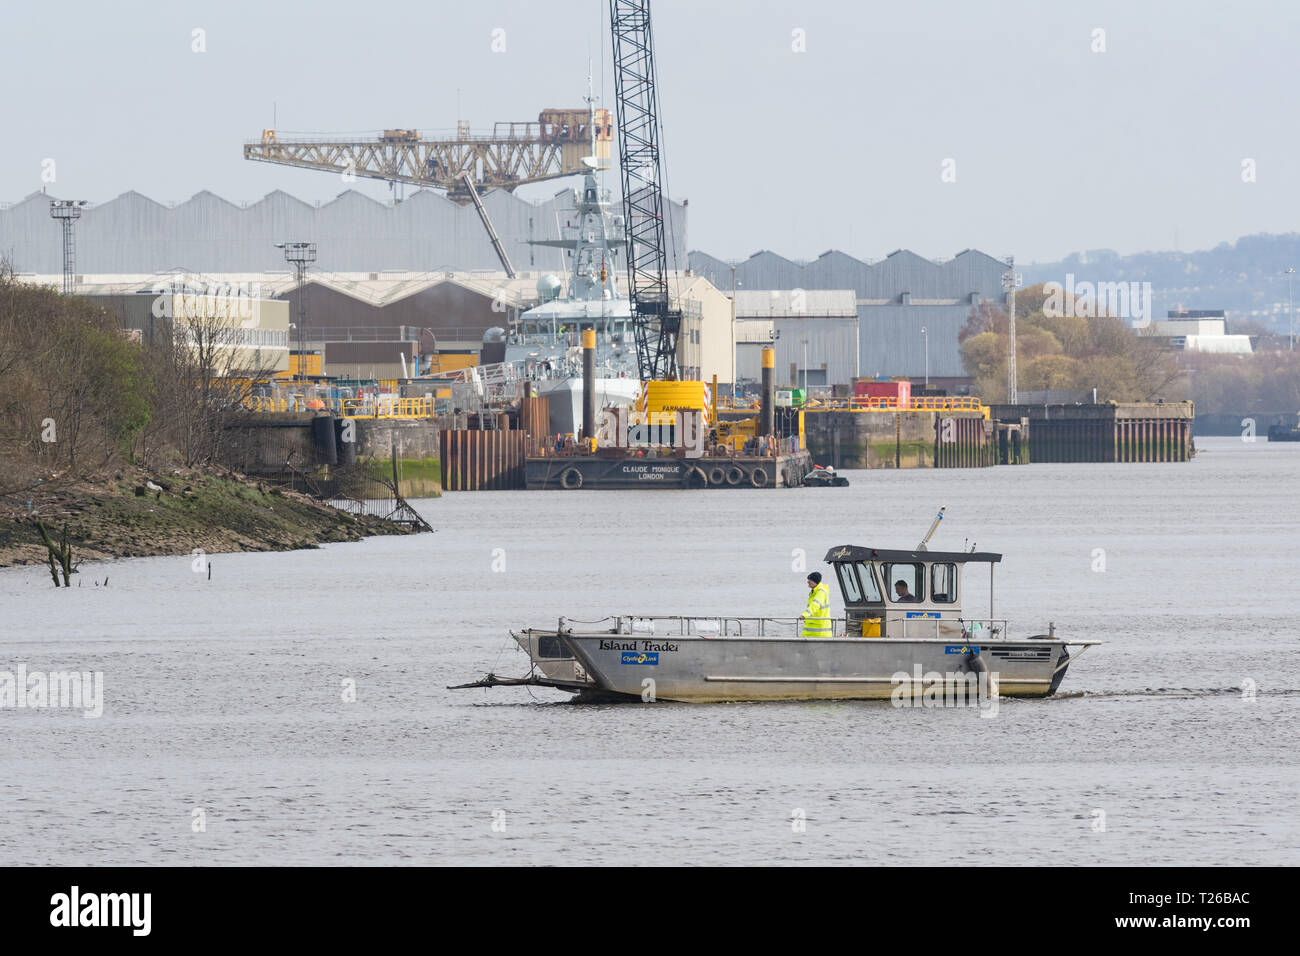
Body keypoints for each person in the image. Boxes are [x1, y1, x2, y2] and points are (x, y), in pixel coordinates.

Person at [800, 572, 832, 638]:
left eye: (810, 580)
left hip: (819, 632)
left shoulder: (821, 591)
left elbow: (815, 605)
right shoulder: (814, 591)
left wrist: (804, 615)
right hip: (811, 630)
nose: (808, 581)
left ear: (815, 581)